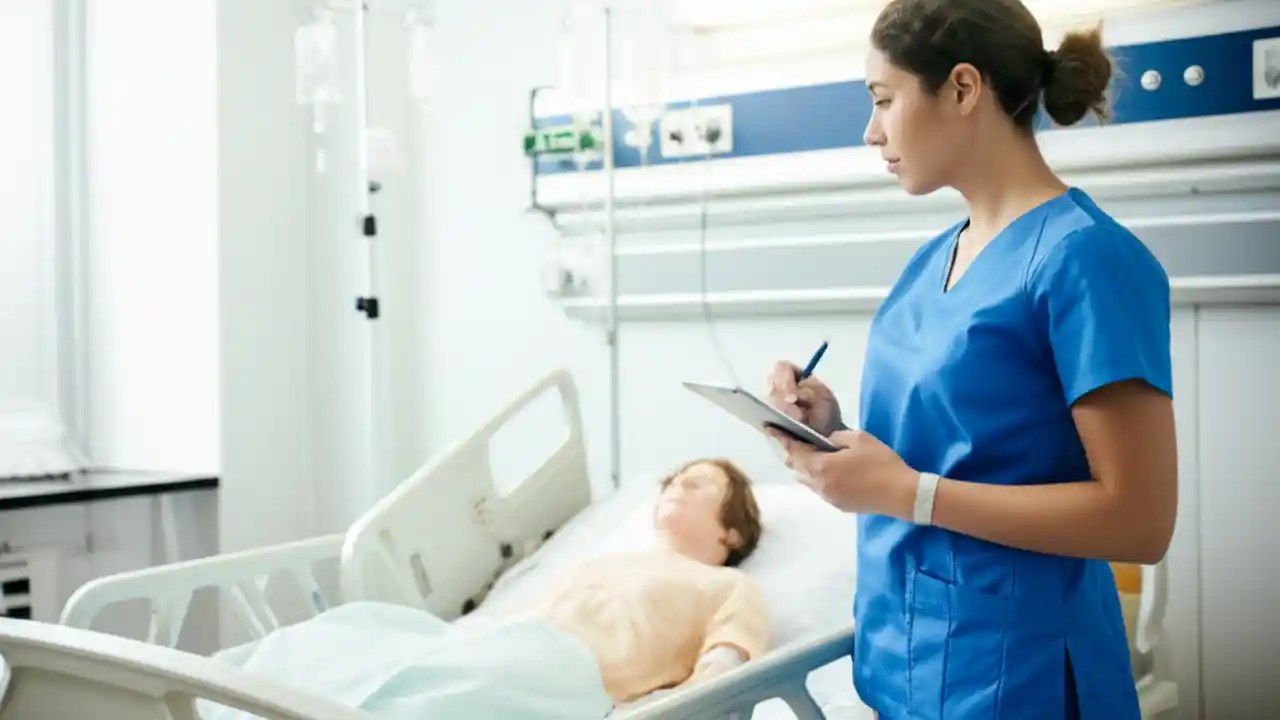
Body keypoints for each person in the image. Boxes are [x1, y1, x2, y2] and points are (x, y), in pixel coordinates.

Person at [765, 2, 1177, 718]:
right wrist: (827, 427)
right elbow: (950, 446)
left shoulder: (1086, 261)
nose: (871, 133)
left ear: (962, 89)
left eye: (884, 100)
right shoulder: (933, 262)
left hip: (1022, 676)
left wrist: (910, 494)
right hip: (906, 662)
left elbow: (1140, 520)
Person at [207, 458, 769, 718]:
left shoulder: (726, 588)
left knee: (432, 697)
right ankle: (209, 701)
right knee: (354, 631)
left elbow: (724, 668)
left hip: (569, 674)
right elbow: (520, 618)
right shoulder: (607, 561)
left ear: (731, 528)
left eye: (696, 484)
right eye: (672, 480)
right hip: (509, 640)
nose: (674, 486)